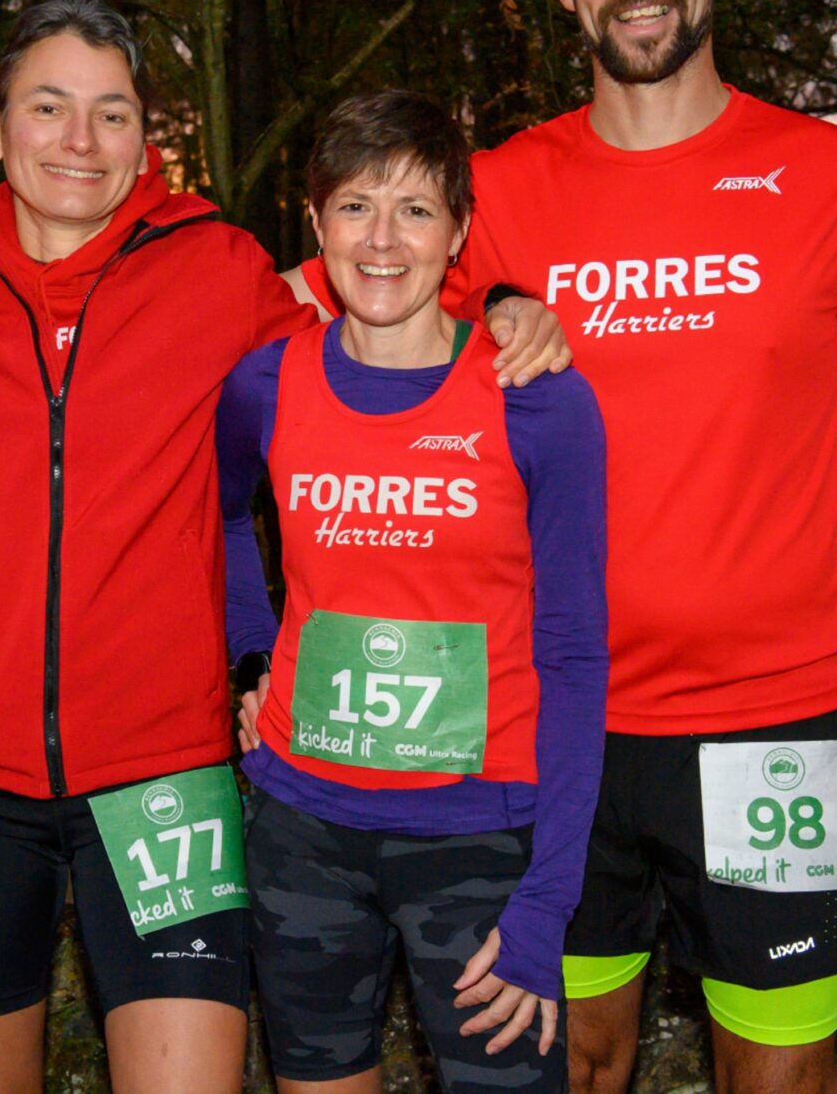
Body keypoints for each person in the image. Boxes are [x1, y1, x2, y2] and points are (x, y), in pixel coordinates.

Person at [291, 0, 837, 1094]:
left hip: (783, 725)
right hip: (551, 732)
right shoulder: (482, 195)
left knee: (780, 1076)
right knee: (567, 1067)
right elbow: (321, 371)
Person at [0, 0, 564, 1094]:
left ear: (146, 139)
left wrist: (506, 300)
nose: (79, 142)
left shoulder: (218, 271)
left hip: (161, 775)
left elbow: (385, 296)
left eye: (111, 114)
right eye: (48, 108)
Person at [219, 90, 609, 1093]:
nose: (381, 241)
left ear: (460, 233)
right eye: (353, 207)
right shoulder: (261, 385)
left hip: (480, 842)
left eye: (414, 210)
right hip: (300, 832)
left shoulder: (538, 398)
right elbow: (217, 524)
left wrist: (545, 902)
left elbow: (571, 655)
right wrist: (252, 657)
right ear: (313, 226)